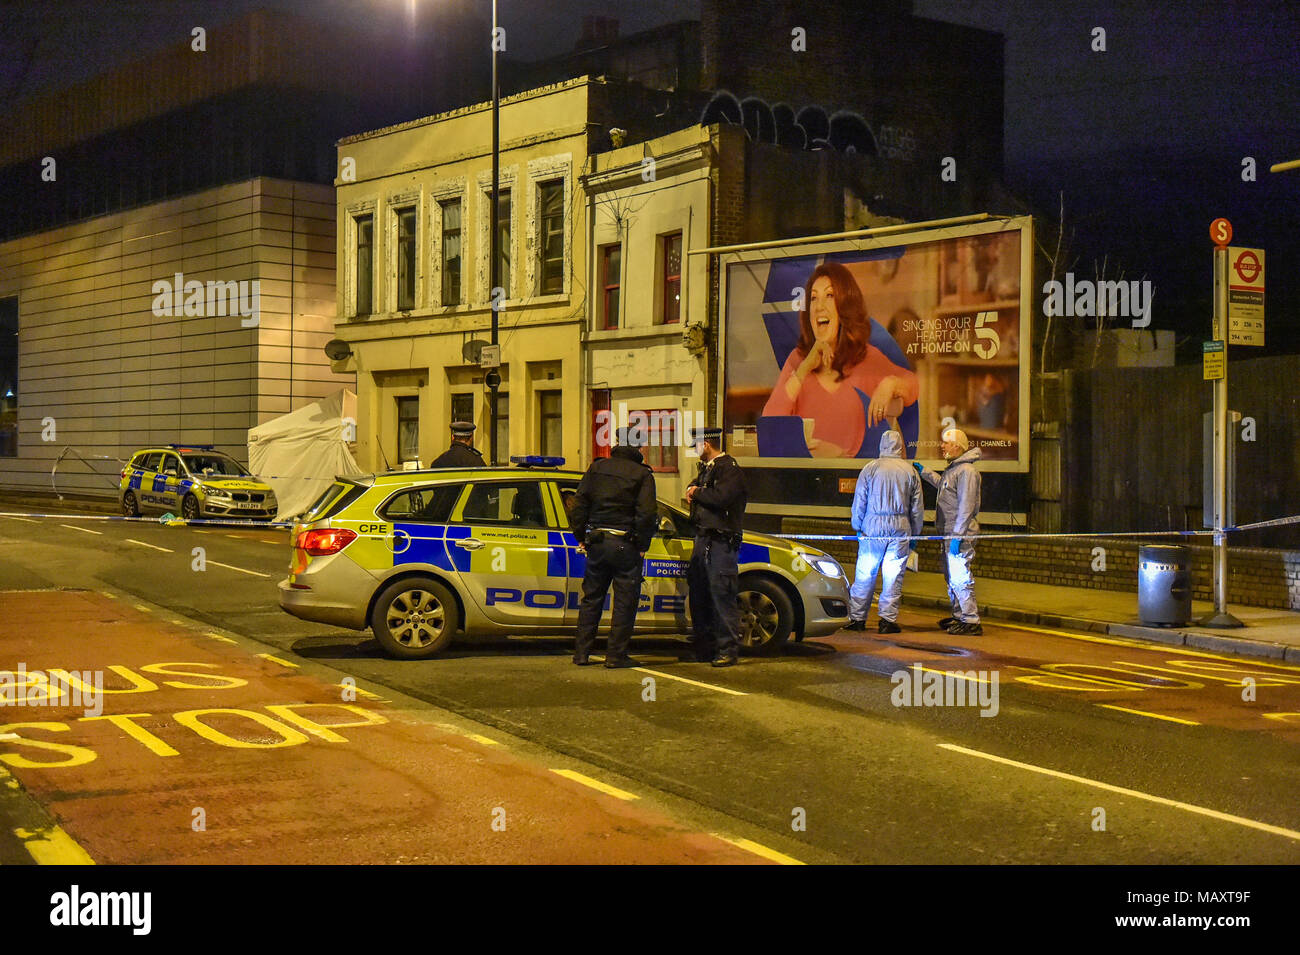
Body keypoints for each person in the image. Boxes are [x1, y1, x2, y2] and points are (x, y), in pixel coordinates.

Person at [761, 261, 919, 458]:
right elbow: (770, 425)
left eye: (829, 296)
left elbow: (913, 384)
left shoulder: (865, 358)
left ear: (845, 306)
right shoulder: (798, 359)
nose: (819, 307)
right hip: (806, 477)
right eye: (813, 298)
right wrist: (803, 370)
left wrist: (890, 384)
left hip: (853, 479)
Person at [569, 428, 657, 668]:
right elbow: (647, 514)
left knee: (591, 599)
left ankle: (582, 653)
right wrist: (642, 543)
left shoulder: (597, 468)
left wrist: (581, 536)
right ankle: (615, 656)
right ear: (638, 447)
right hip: (625, 544)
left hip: (596, 542)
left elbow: (579, 504)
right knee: (624, 602)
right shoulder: (642, 474)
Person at [847, 429, 923, 633]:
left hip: (872, 526)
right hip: (900, 527)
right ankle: (887, 621)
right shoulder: (909, 471)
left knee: (865, 573)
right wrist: (915, 533)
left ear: (881, 444)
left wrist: (858, 525)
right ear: (900, 446)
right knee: (893, 575)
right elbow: (916, 508)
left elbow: (860, 501)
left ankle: (857, 618)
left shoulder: (870, 468)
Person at [683, 427, 748, 667]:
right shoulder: (709, 469)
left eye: (697, 446)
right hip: (704, 540)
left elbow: (721, 498)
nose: (696, 451)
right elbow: (699, 489)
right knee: (700, 596)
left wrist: (697, 491)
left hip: (720, 541)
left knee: (722, 595)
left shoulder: (729, 469)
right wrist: (694, 488)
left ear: (707, 444)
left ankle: (727, 650)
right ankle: (705, 648)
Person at [915, 428, 982, 635]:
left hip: (958, 534)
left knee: (960, 575)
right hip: (949, 532)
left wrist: (957, 536)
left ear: (957, 446)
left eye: (945, 443)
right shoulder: (954, 470)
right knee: (951, 576)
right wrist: (925, 471)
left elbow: (966, 506)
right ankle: (959, 615)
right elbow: (944, 487)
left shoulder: (967, 472)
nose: (942, 446)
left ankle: (971, 619)